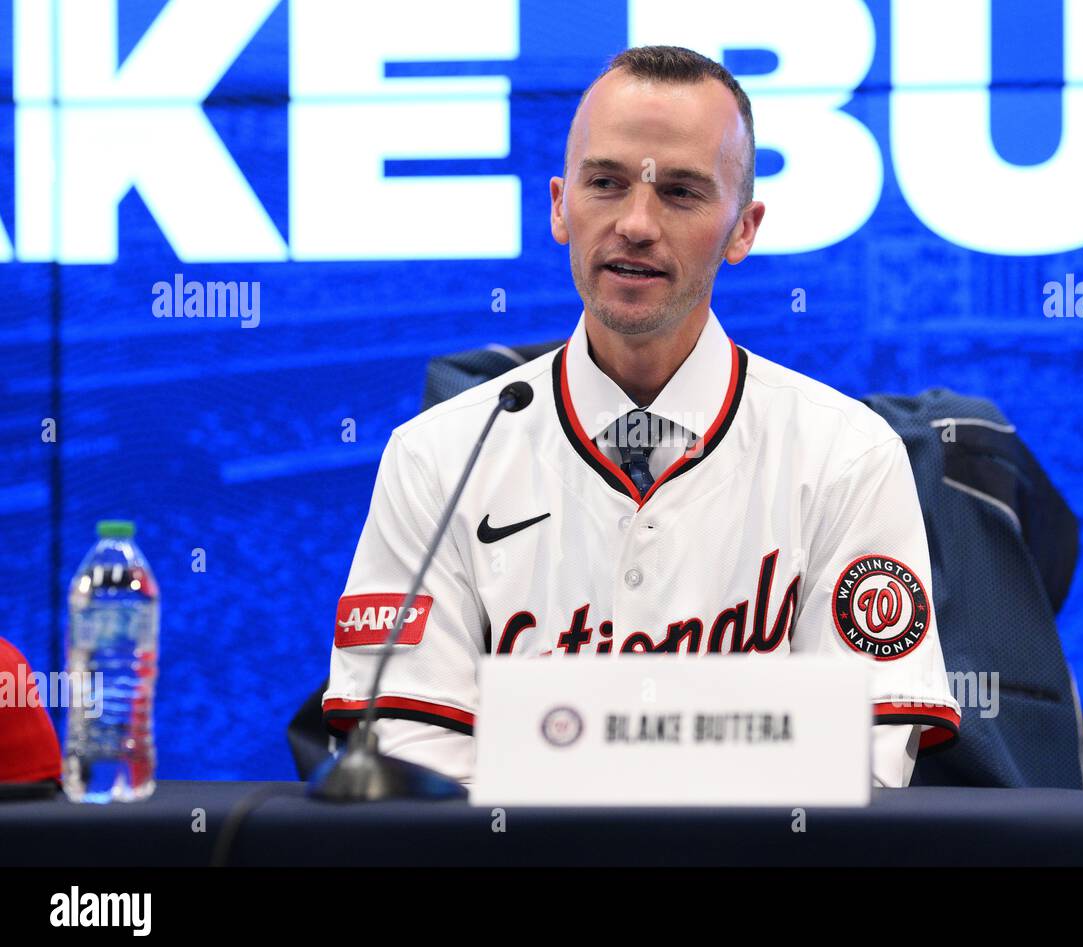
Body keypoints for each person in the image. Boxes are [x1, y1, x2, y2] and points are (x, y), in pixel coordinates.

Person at [324, 45, 960, 789]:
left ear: (744, 229)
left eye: (682, 193)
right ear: (561, 205)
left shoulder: (848, 455)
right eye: (606, 183)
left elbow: (865, 764)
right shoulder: (437, 453)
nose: (635, 223)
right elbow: (407, 754)